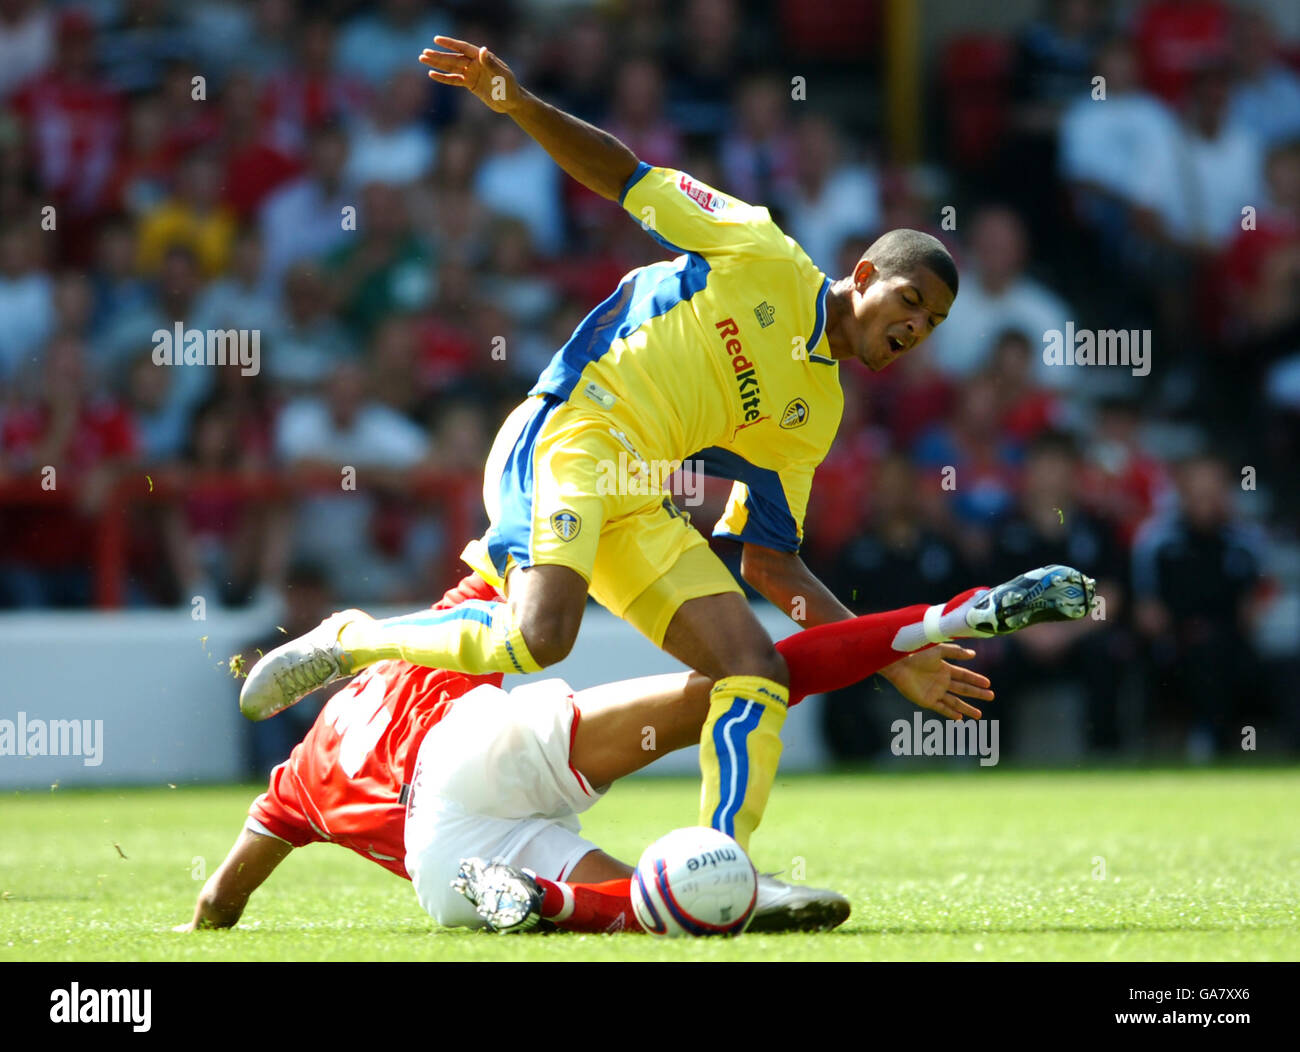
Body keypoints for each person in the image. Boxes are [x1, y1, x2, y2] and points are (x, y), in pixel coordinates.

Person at [240, 36, 1070, 858]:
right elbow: (625, 177)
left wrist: (889, 658)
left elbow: (772, 565)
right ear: (862, 274)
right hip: (569, 431)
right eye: (909, 301)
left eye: (931, 324)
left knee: (755, 670)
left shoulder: (814, 410)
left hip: (636, 492)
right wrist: (517, 103)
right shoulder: (759, 250)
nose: (914, 329)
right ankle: (350, 639)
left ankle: (720, 869)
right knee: (538, 637)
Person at [184, 563, 1093, 936]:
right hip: (465, 756)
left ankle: (549, 902)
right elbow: (511, 568)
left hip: (446, 863)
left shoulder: (295, 786)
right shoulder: (424, 656)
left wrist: (196, 933)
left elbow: (223, 896)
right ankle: (957, 613)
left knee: (654, 905)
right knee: (738, 682)